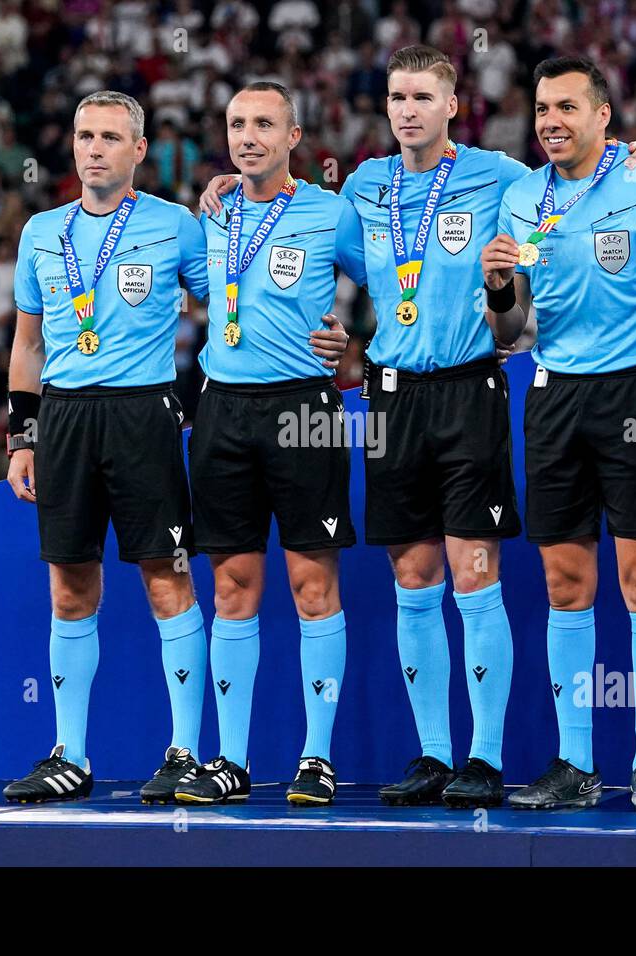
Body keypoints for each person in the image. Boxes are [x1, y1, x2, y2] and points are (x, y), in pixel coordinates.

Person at [199, 47, 636, 810]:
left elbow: (576, 179)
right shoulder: (363, 187)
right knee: (412, 577)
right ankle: (433, 753)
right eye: (396, 96)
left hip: (467, 393)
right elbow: (316, 254)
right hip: (387, 400)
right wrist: (238, 186)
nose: (408, 109)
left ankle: (484, 758)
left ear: (452, 105)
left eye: (423, 96)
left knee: (473, 574)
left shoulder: (499, 178)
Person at [1, 92, 240, 805]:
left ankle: (184, 752)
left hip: (144, 415)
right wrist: (23, 438)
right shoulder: (41, 231)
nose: (94, 148)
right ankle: (69, 754)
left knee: (167, 580)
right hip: (66, 418)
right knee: (69, 586)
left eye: (110, 137)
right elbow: (26, 345)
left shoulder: (175, 226)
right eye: (84, 135)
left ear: (140, 150)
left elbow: (223, 309)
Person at [482, 56, 636, 812]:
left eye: (568, 107)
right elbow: (510, 333)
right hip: (551, 397)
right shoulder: (519, 198)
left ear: (603, 115)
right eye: (543, 108)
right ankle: (576, 762)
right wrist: (499, 285)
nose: (551, 121)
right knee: (564, 585)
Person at [172, 81, 363, 806]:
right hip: (220, 410)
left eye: (263, 125)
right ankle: (232, 760)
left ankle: (316, 757)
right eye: (236, 124)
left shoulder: (331, 212)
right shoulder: (208, 216)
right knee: (230, 589)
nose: (247, 136)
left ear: (293, 136)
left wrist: (354, 339)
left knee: (313, 587)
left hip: (302, 412)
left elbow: (404, 277)